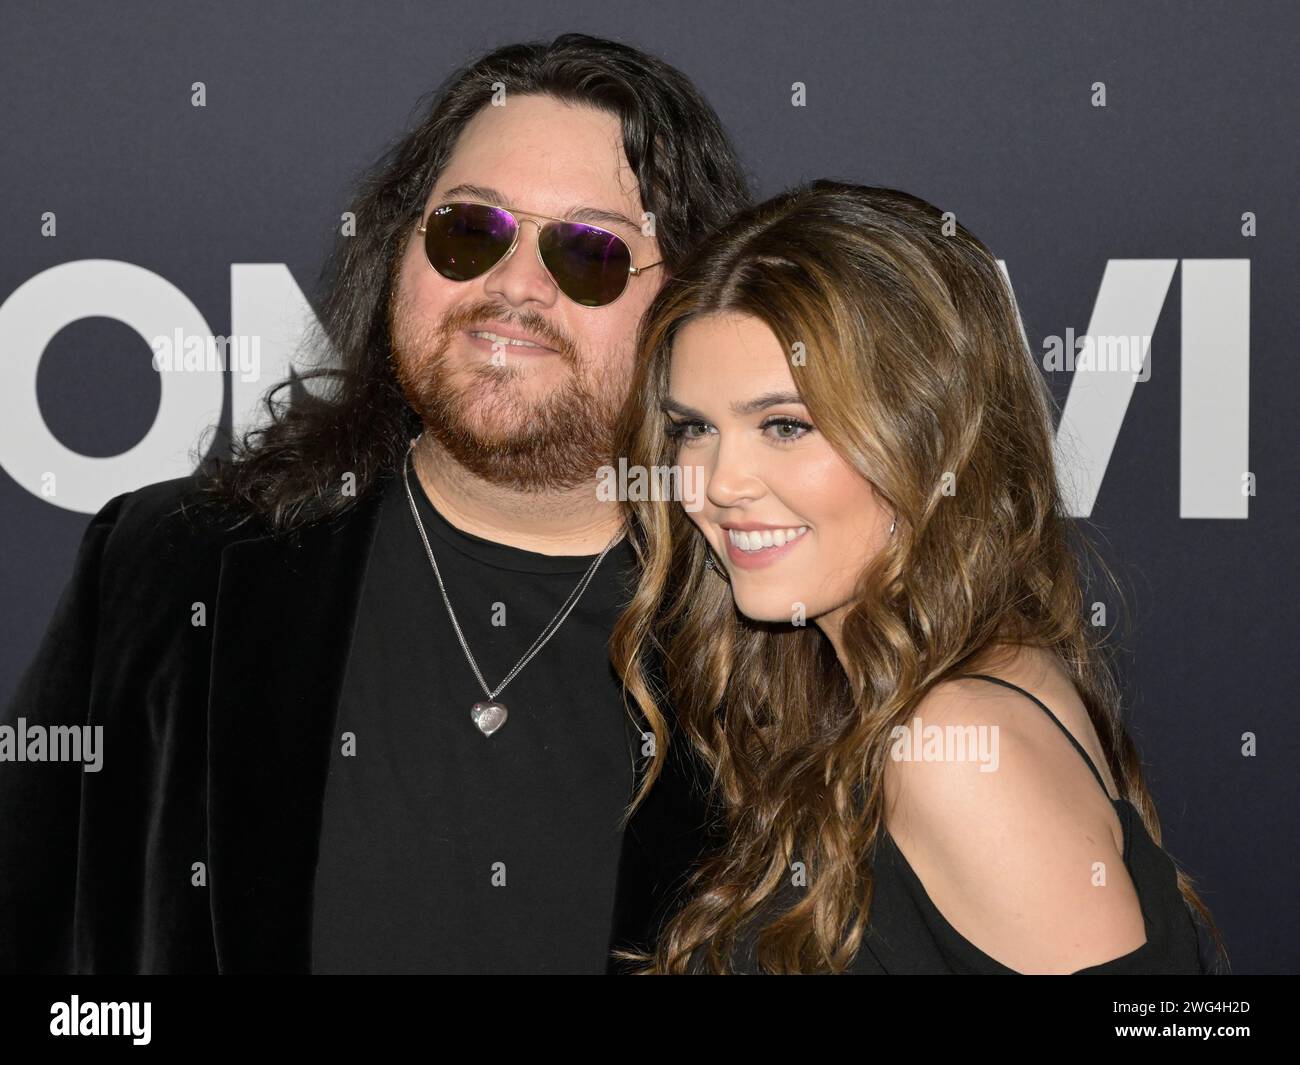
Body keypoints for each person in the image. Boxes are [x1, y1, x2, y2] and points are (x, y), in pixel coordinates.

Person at [0, 33, 747, 974]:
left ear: (690, 306)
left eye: (591, 251)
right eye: (471, 229)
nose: (514, 286)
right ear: (400, 250)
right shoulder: (168, 569)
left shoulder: (775, 646)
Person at [608, 180, 1227, 974]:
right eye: (694, 428)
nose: (718, 482)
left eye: (786, 425)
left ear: (930, 439)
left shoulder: (957, 750)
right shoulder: (892, 688)